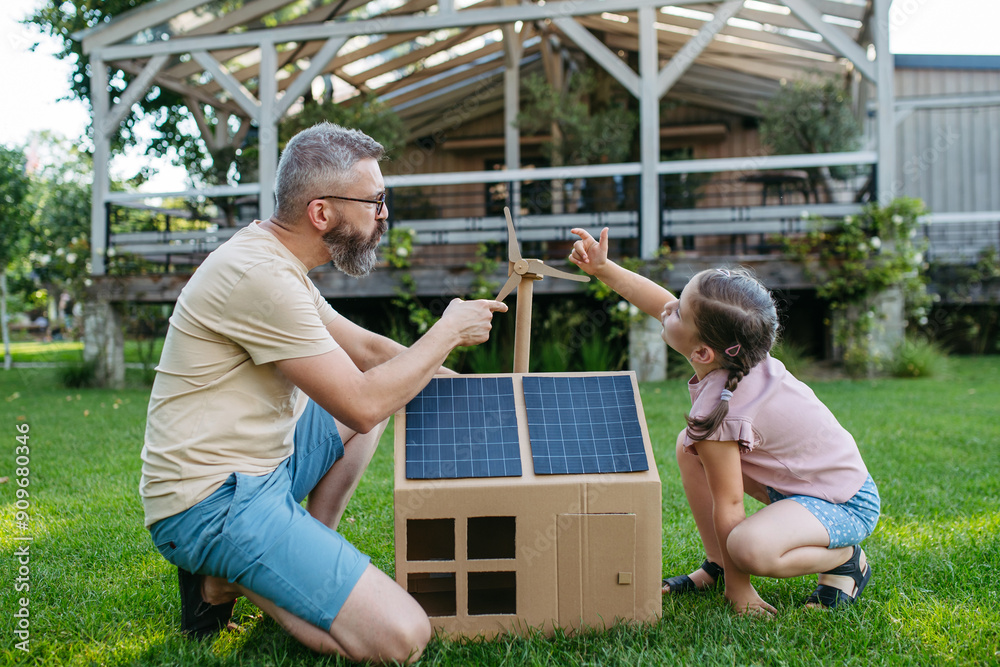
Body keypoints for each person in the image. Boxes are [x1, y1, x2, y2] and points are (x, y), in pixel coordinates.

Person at [140, 122, 507, 663]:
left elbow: (373, 354)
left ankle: (302, 549)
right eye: (375, 201)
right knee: (402, 638)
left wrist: (489, 400)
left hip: (263, 470)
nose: (383, 214)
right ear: (321, 213)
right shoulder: (258, 276)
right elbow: (361, 400)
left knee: (380, 399)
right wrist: (447, 330)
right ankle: (224, 580)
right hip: (211, 500)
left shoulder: (280, 262)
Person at [568, 227, 880, 617]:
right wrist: (603, 269)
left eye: (679, 309)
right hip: (800, 489)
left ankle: (845, 561)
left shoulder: (721, 405)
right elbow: (659, 303)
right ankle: (716, 565)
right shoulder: (733, 353)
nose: (668, 307)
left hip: (844, 503)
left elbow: (730, 505)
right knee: (689, 446)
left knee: (750, 549)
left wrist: (741, 590)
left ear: (701, 351)